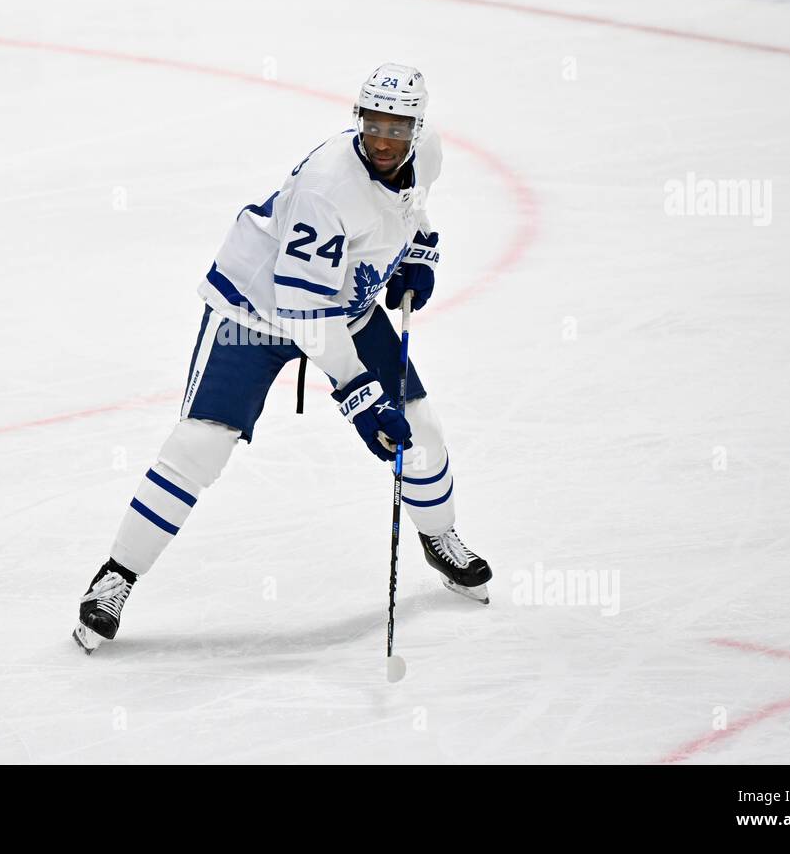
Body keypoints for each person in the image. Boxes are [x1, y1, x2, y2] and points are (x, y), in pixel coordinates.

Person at [73, 63, 492, 653]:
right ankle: (115, 576)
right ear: (358, 120)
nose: (382, 140)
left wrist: (420, 253)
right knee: (199, 446)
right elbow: (304, 316)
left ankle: (440, 536)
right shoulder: (328, 187)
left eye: (397, 129)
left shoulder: (429, 157)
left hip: (347, 303)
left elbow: (410, 213)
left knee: (421, 431)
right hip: (258, 311)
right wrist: (363, 401)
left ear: (418, 131)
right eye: (373, 124)